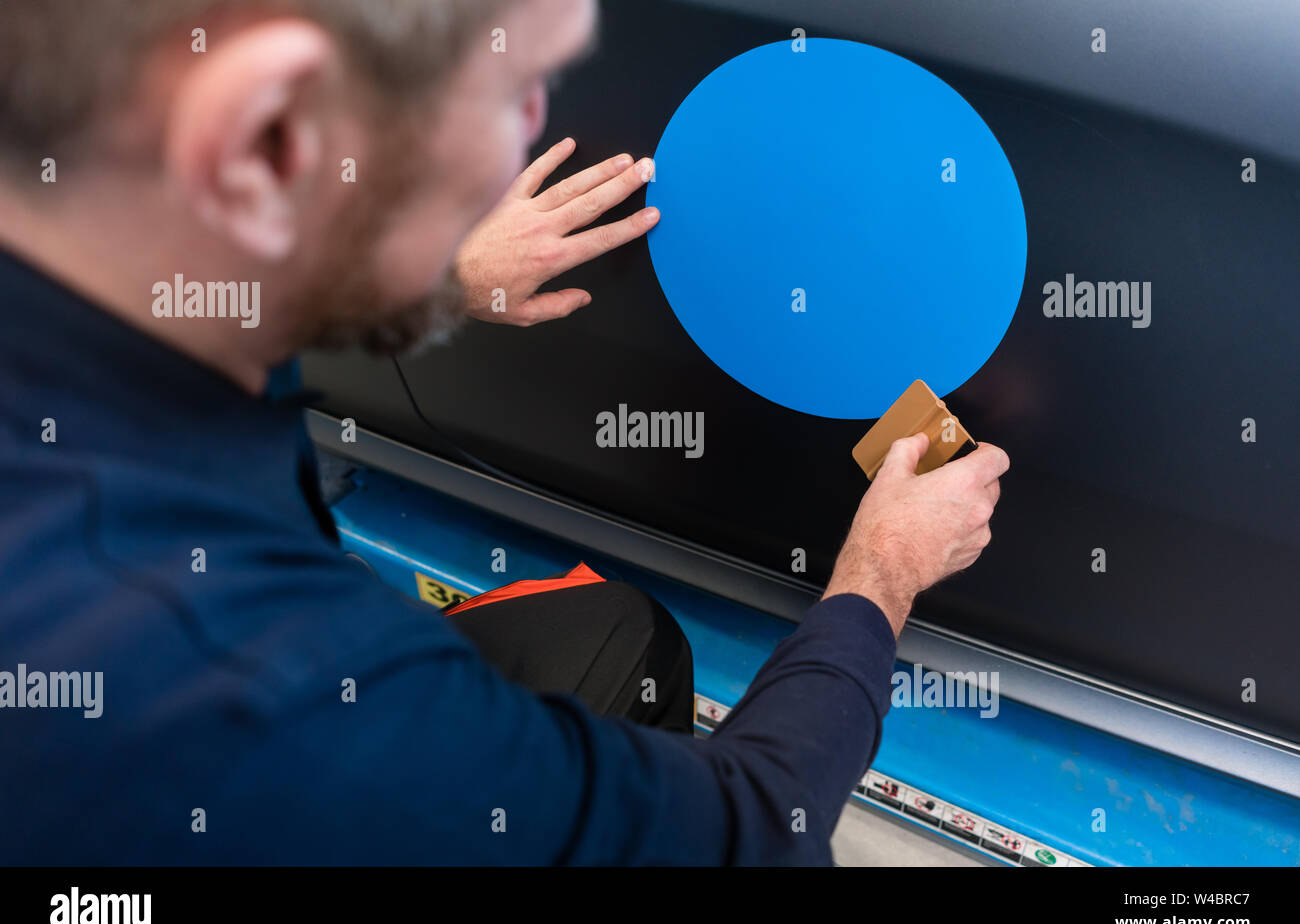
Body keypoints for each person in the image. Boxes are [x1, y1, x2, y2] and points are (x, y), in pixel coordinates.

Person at [0, 0, 1009, 864]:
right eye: (514, 90)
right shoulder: (265, 686)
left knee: (614, 637)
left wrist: (420, 280)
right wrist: (878, 578)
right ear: (268, 136)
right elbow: (751, 831)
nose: (534, 123)